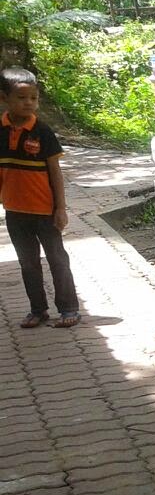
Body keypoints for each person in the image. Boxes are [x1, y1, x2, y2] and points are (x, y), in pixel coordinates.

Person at [1, 66, 80, 329]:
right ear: (4, 98)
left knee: (57, 259)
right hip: (15, 211)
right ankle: (38, 309)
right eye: (21, 98)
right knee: (28, 263)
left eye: (33, 98)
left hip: (45, 210)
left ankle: (68, 308)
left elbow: (55, 172)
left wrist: (61, 208)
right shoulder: (1, 130)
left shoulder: (42, 131)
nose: (29, 103)